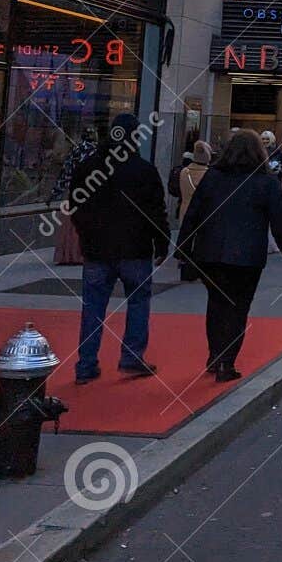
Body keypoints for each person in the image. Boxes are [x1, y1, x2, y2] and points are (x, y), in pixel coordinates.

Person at [176, 129, 282, 381]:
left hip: (211, 252)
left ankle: (215, 355)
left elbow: (194, 214)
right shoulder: (265, 181)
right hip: (247, 255)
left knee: (217, 304)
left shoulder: (213, 177)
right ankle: (226, 362)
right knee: (239, 308)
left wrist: (183, 248)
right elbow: (280, 219)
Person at [69, 113, 169, 384]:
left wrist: (84, 234)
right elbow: (156, 212)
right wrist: (162, 242)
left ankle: (86, 364)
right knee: (138, 302)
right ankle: (131, 356)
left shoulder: (88, 167)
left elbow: (76, 206)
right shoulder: (144, 170)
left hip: (98, 249)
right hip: (135, 248)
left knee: (93, 306)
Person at [51, 127, 96, 265]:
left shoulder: (75, 151)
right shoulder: (96, 152)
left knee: (69, 225)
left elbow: (65, 174)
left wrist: (54, 193)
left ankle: (67, 254)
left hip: (73, 192)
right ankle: (80, 254)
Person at [176, 140, 212, 280]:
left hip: (185, 210)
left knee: (186, 240)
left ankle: (185, 267)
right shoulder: (210, 175)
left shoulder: (184, 172)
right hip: (204, 213)